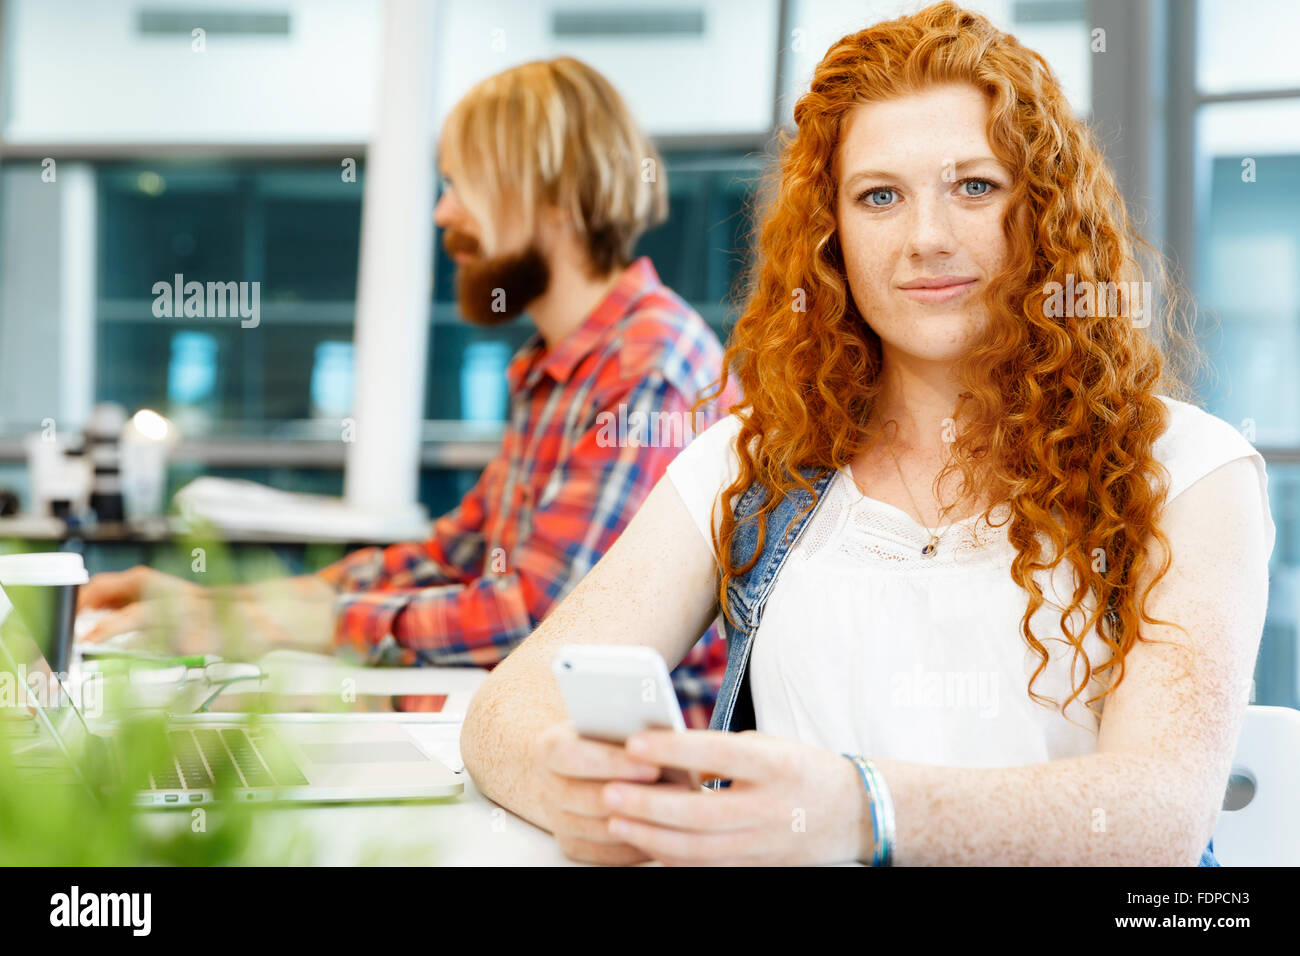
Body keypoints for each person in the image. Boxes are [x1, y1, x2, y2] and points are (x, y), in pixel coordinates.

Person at [458, 2, 1275, 866]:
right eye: (879, 197)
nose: (927, 238)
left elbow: (1159, 815)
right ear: (832, 239)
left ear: (1042, 212)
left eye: (974, 187)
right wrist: (571, 783)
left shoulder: (1190, 472)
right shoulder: (749, 466)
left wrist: (861, 809)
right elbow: (505, 712)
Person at [79, 57, 734, 726]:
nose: (442, 210)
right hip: (536, 726)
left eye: (462, 183)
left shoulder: (645, 367)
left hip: (624, 766)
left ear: (553, 196)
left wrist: (266, 626)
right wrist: (220, 609)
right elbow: (452, 556)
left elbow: (539, 618)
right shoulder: (560, 364)